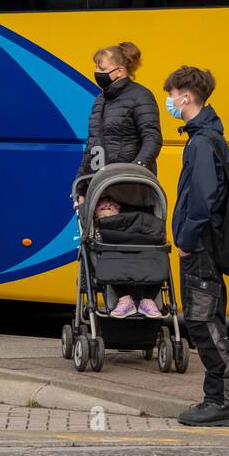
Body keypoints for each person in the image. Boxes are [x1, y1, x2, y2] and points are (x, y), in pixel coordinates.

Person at [164, 66, 229, 427]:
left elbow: (204, 198)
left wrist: (188, 240)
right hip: (203, 245)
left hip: (201, 248)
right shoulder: (206, 136)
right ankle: (217, 399)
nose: (170, 102)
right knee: (203, 319)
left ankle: (221, 401)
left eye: (172, 95)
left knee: (202, 321)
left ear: (186, 97)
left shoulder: (202, 142)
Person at [75, 42, 162, 318]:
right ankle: (122, 297)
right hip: (105, 189)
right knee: (108, 244)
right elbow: (92, 147)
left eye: (101, 67)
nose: (97, 72)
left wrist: (135, 169)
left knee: (141, 242)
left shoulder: (141, 96)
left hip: (135, 188)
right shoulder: (100, 101)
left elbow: (152, 138)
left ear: (120, 69)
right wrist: (81, 184)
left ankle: (148, 298)